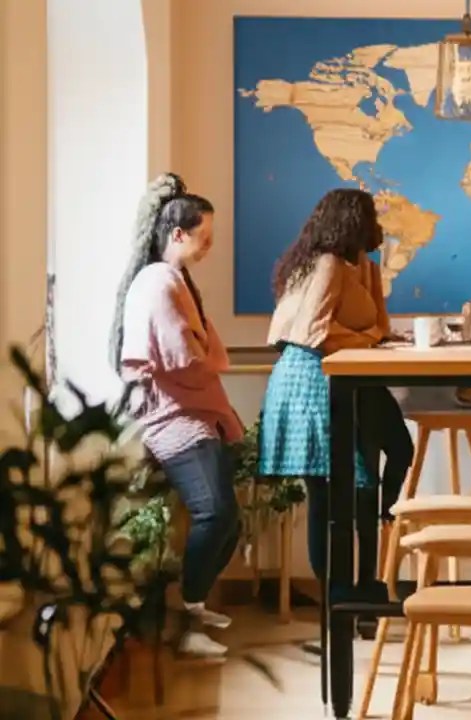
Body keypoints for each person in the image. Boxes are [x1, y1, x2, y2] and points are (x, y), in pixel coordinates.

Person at [257, 188, 413, 603]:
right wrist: (366, 338)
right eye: (369, 218)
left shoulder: (343, 265)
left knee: (380, 463)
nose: (376, 226)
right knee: (329, 497)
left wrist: (369, 277)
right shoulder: (325, 263)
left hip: (335, 376)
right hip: (312, 379)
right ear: (353, 222)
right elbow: (311, 333)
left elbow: (378, 327)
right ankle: (338, 597)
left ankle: (353, 587)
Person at [111, 173, 243, 657]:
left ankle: (192, 608)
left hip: (190, 411)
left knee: (229, 520)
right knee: (216, 512)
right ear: (178, 234)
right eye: (203, 237)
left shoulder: (172, 279)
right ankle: (184, 619)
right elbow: (184, 358)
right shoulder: (158, 281)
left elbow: (197, 352)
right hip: (172, 417)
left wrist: (206, 360)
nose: (209, 246)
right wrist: (208, 361)